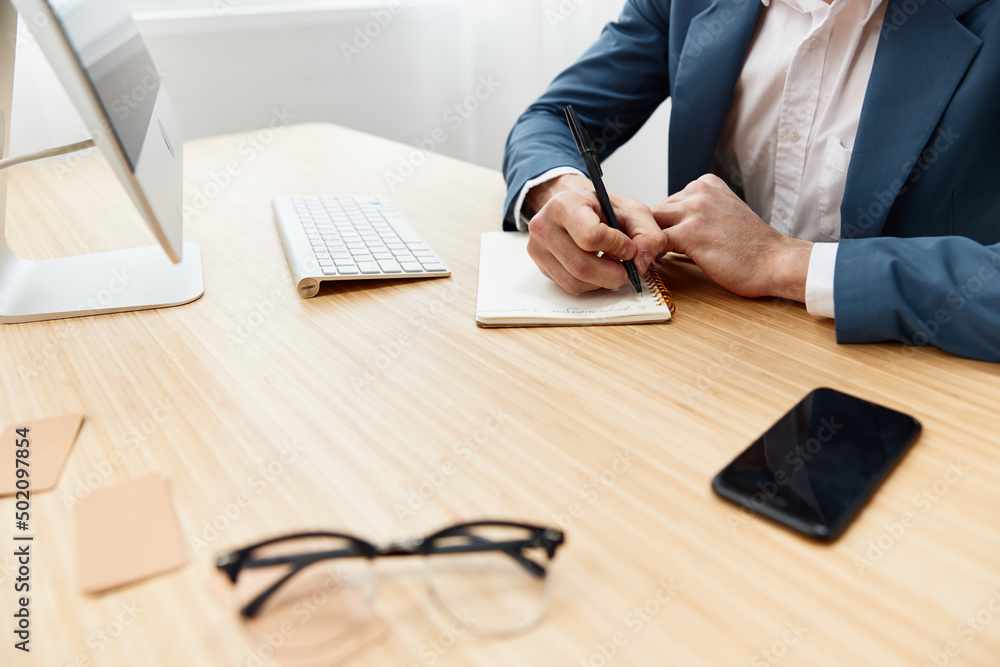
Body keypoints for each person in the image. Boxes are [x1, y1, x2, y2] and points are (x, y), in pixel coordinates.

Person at [502, 0, 1000, 361]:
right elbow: (550, 119)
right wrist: (566, 194)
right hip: (709, 358)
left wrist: (783, 262)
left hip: (914, 382)